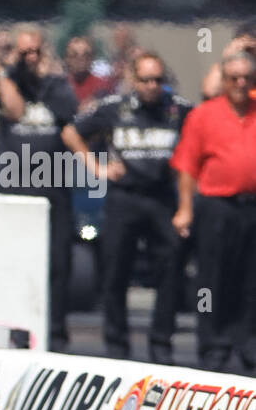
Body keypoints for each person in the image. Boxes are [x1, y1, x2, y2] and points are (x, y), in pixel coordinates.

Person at [62, 52, 191, 362]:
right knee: (115, 271)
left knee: (170, 270)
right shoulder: (114, 108)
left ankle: (161, 344)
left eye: (157, 80)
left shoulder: (178, 109)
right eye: (145, 80)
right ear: (134, 80)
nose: (152, 86)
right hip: (124, 197)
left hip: (162, 197)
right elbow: (70, 133)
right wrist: (97, 168)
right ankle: (117, 346)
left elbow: (201, 136)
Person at [0, 25, 80, 351]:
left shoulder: (56, 84)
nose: (30, 58)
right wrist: (5, 71)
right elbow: (14, 111)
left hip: (53, 188)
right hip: (15, 190)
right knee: (15, 263)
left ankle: (55, 335)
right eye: (23, 52)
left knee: (57, 265)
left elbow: (70, 112)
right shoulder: (1, 83)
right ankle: (15, 331)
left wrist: (46, 73)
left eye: (35, 51)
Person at [170, 50, 256, 373]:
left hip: (252, 207)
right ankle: (213, 344)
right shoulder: (203, 116)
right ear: (224, 80)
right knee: (212, 280)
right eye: (234, 78)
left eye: (246, 78)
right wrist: (184, 209)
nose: (240, 83)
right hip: (217, 207)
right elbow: (187, 166)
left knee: (251, 280)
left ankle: (248, 341)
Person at [64, 36, 115, 113]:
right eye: (74, 55)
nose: (80, 59)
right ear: (67, 59)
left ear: (92, 58)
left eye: (85, 55)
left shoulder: (103, 85)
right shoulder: (60, 86)